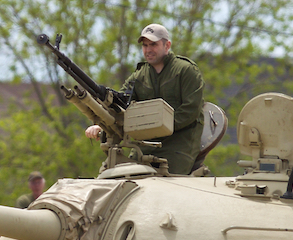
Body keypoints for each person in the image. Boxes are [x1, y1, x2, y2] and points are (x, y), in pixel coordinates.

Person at [85, 23, 205, 175]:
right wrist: (102, 125)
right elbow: (120, 106)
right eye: (145, 45)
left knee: (166, 185)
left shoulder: (185, 70)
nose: (148, 50)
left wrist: (155, 126)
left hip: (179, 145)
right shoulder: (139, 76)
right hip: (144, 145)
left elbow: (190, 111)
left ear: (167, 45)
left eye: (153, 44)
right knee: (117, 177)